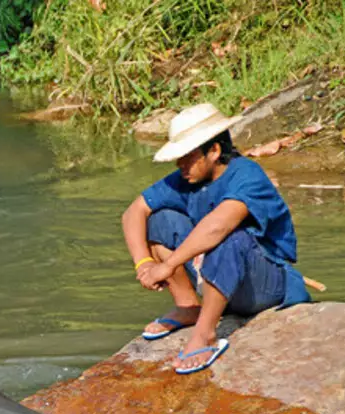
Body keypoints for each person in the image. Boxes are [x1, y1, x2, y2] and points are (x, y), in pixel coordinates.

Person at [121, 102, 310, 374]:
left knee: (231, 237)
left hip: (263, 285)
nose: (180, 164)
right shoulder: (185, 179)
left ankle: (205, 334)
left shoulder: (247, 175)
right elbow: (134, 212)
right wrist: (144, 264)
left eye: (187, 156)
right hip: (212, 273)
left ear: (215, 151)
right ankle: (188, 306)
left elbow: (218, 226)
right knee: (159, 220)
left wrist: (168, 264)